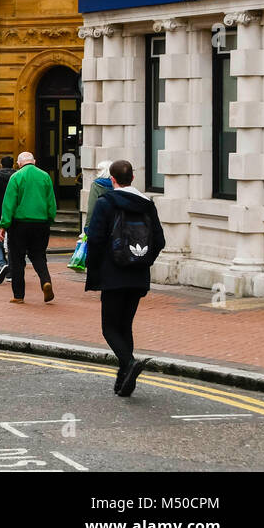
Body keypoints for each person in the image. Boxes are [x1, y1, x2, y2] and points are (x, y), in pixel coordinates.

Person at [85, 159, 165, 397]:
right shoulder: (147, 204)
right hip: (138, 275)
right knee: (125, 325)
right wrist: (143, 260)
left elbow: (96, 240)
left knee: (109, 327)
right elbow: (159, 241)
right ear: (133, 178)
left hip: (113, 274)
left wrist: (95, 270)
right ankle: (123, 381)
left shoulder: (106, 202)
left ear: (112, 180)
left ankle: (129, 364)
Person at [0, 151, 58, 304]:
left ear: (19, 163)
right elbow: (51, 201)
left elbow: (9, 203)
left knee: (16, 259)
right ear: (35, 161)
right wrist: (49, 219)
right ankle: (45, 281)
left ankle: (18, 295)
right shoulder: (45, 176)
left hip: (20, 224)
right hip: (41, 223)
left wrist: (3, 225)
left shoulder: (16, 177)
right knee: (38, 255)